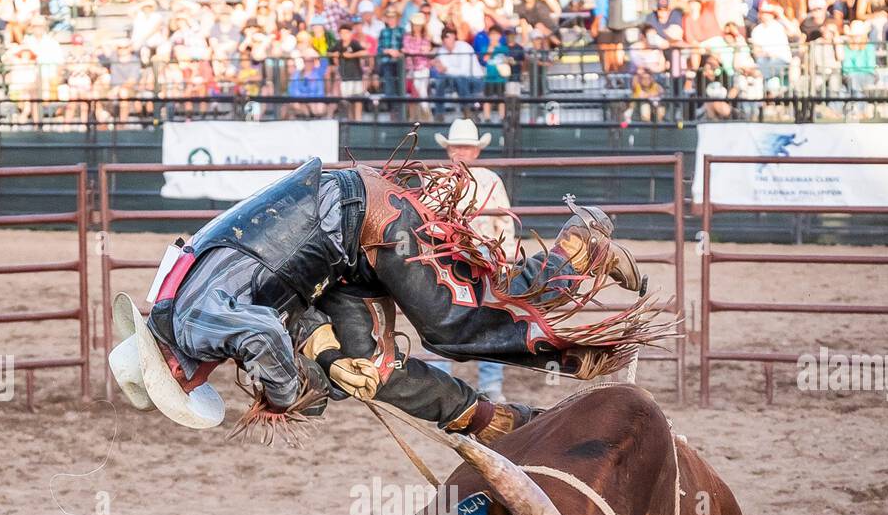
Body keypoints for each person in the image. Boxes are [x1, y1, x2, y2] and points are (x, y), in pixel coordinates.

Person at [107, 146, 653, 445]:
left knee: (451, 326)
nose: (200, 380)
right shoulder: (183, 307)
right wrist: (326, 360)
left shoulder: (193, 325)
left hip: (361, 224)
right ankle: (495, 420)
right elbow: (277, 302)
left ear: (176, 372)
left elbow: (263, 332)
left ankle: (576, 254)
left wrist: (285, 392)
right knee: (370, 367)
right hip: (339, 250)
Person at [428, 118, 520, 402]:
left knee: (488, 317)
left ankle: (489, 383)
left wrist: (503, 257)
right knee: (441, 316)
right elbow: (427, 222)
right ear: (449, 149)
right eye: (457, 147)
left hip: (485, 256)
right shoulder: (439, 178)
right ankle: (444, 381)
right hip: (447, 256)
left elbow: (504, 223)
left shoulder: (489, 179)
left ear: (476, 151)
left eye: (466, 147)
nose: (461, 152)